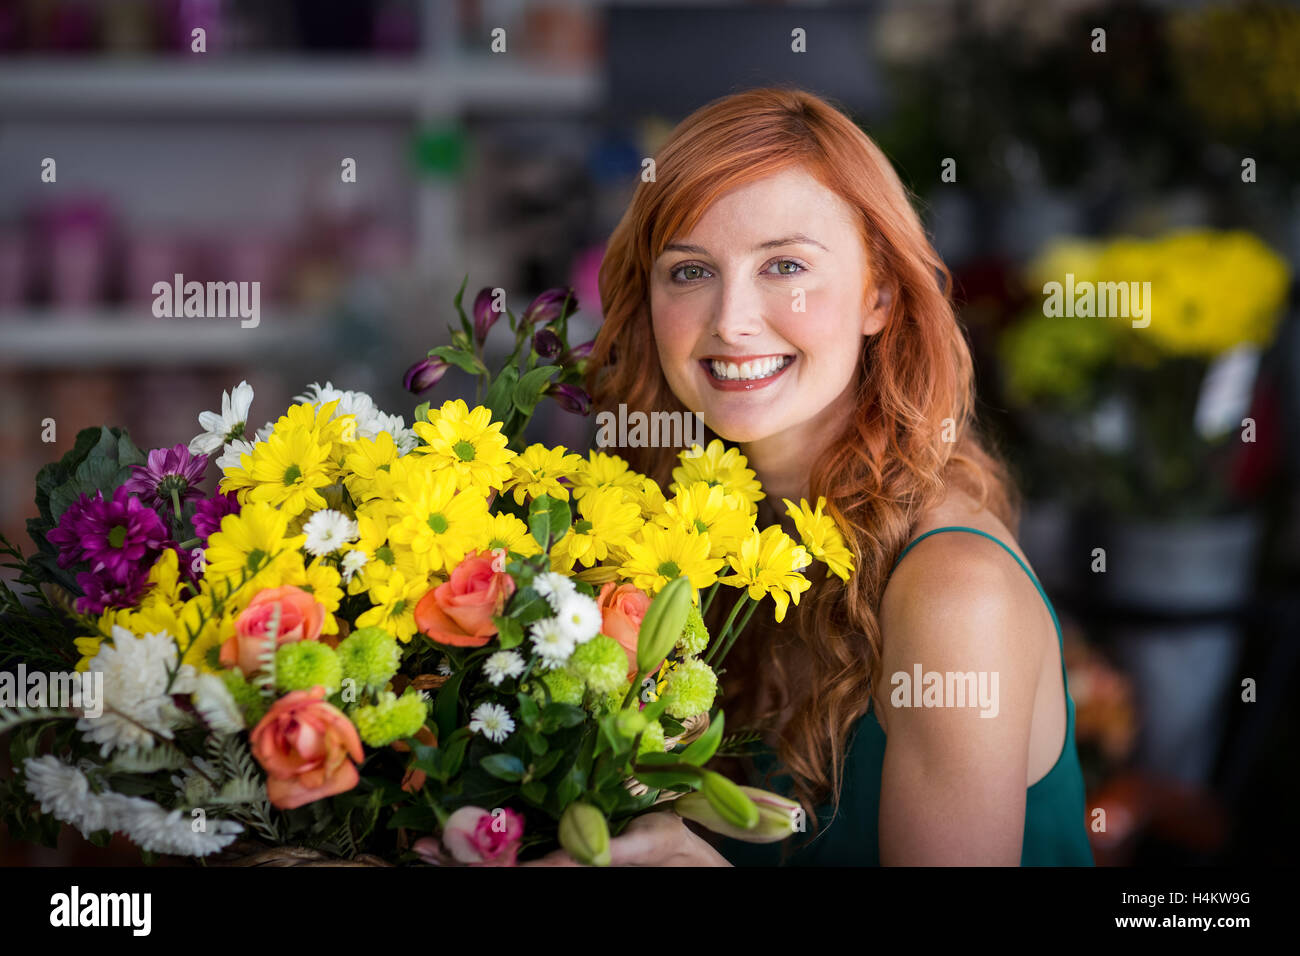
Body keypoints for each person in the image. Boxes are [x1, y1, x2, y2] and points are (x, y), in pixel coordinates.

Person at [525, 87, 1094, 866]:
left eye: (784, 265)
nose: (731, 321)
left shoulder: (954, 595)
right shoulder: (663, 529)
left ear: (881, 293)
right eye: (690, 272)